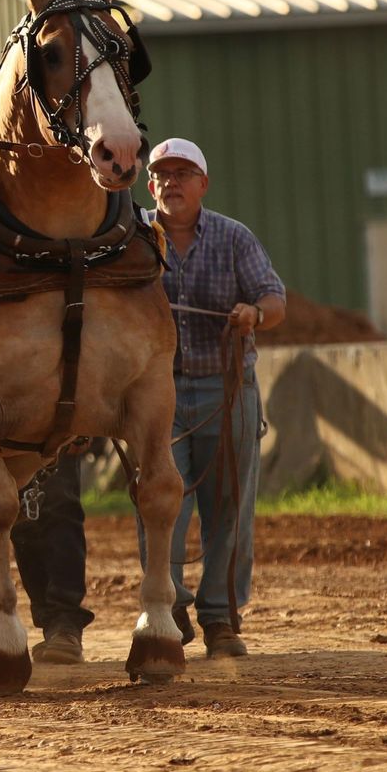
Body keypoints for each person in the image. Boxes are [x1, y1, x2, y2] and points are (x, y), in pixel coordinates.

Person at [146, 136, 285, 658]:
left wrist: (255, 314)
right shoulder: (133, 237)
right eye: (162, 174)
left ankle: (221, 619)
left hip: (226, 393)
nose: (171, 182)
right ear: (149, 183)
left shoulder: (233, 239)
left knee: (227, 507)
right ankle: (168, 605)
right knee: (161, 509)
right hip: (154, 397)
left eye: (183, 173)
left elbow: (275, 300)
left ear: (203, 183)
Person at [11, 455, 93, 664]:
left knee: (60, 499)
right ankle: (51, 621)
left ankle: (65, 621)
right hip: (7, 432)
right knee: (22, 513)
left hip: (57, 430)